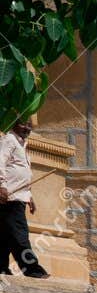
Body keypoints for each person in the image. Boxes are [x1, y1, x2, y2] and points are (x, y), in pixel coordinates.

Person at [0, 119, 49, 279]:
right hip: (10, 197)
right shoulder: (9, 139)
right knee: (20, 234)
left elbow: (22, 175)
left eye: (30, 125)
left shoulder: (22, 144)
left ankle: (1, 268)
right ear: (14, 123)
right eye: (24, 124)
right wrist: (1, 186)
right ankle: (32, 269)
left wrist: (30, 197)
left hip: (18, 197)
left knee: (5, 235)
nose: (27, 128)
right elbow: (0, 162)